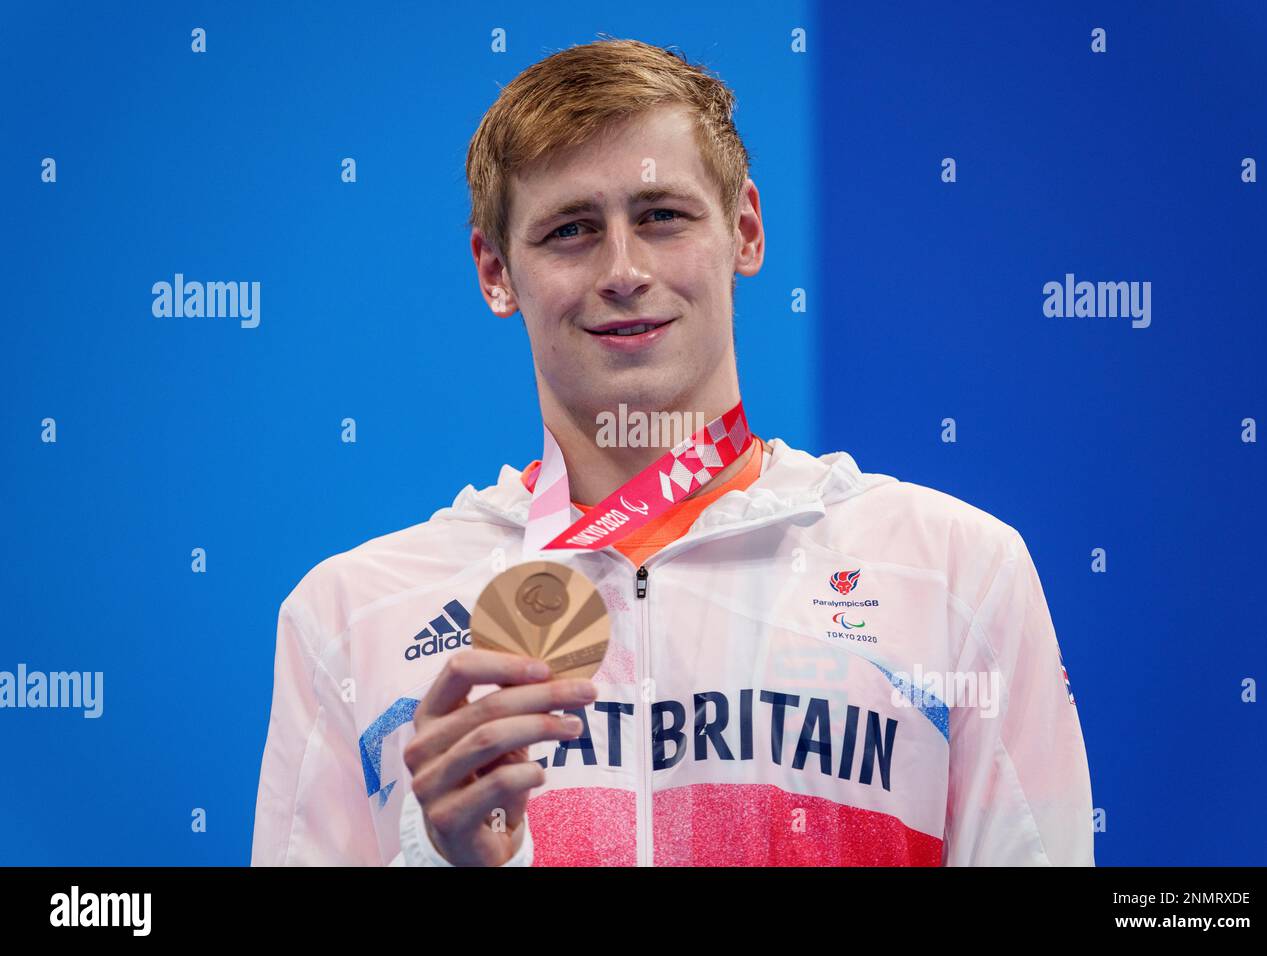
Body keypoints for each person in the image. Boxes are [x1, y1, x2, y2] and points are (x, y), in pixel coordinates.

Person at [251, 37, 1094, 867]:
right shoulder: (349, 618)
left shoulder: (952, 574)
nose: (622, 269)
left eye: (661, 217)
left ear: (747, 231)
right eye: (571, 230)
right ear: (495, 271)